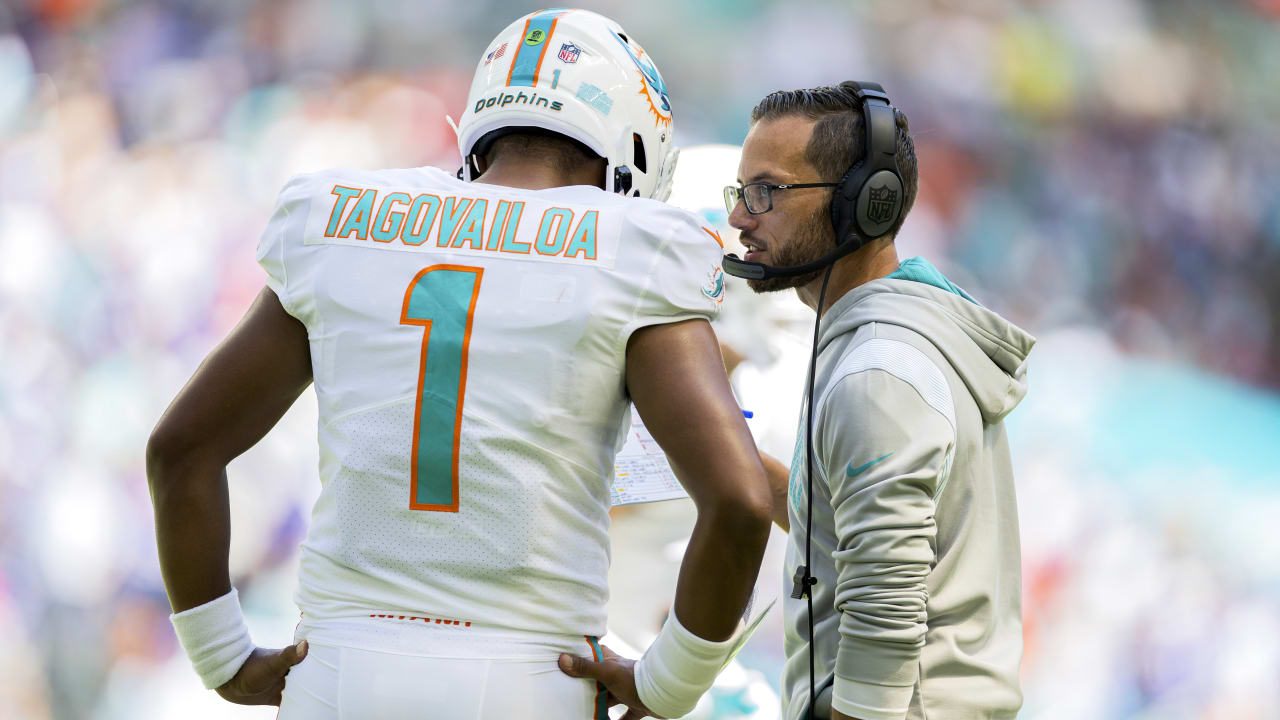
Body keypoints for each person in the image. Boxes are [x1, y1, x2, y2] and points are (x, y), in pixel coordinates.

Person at [145, 9, 772, 719]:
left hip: (338, 670)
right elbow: (740, 502)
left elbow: (181, 449)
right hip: (529, 675)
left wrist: (220, 655)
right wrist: (671, 683)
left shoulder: (340, 219)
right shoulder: (640, 248)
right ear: (631, 145)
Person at [724, 82, 1034, 720]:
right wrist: (709, 444)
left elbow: (886, 614)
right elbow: (848, 524)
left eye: (765, 192)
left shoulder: (877, 372)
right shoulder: (889, 343)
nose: (739, 217)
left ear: (862, 205)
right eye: (741, 193)